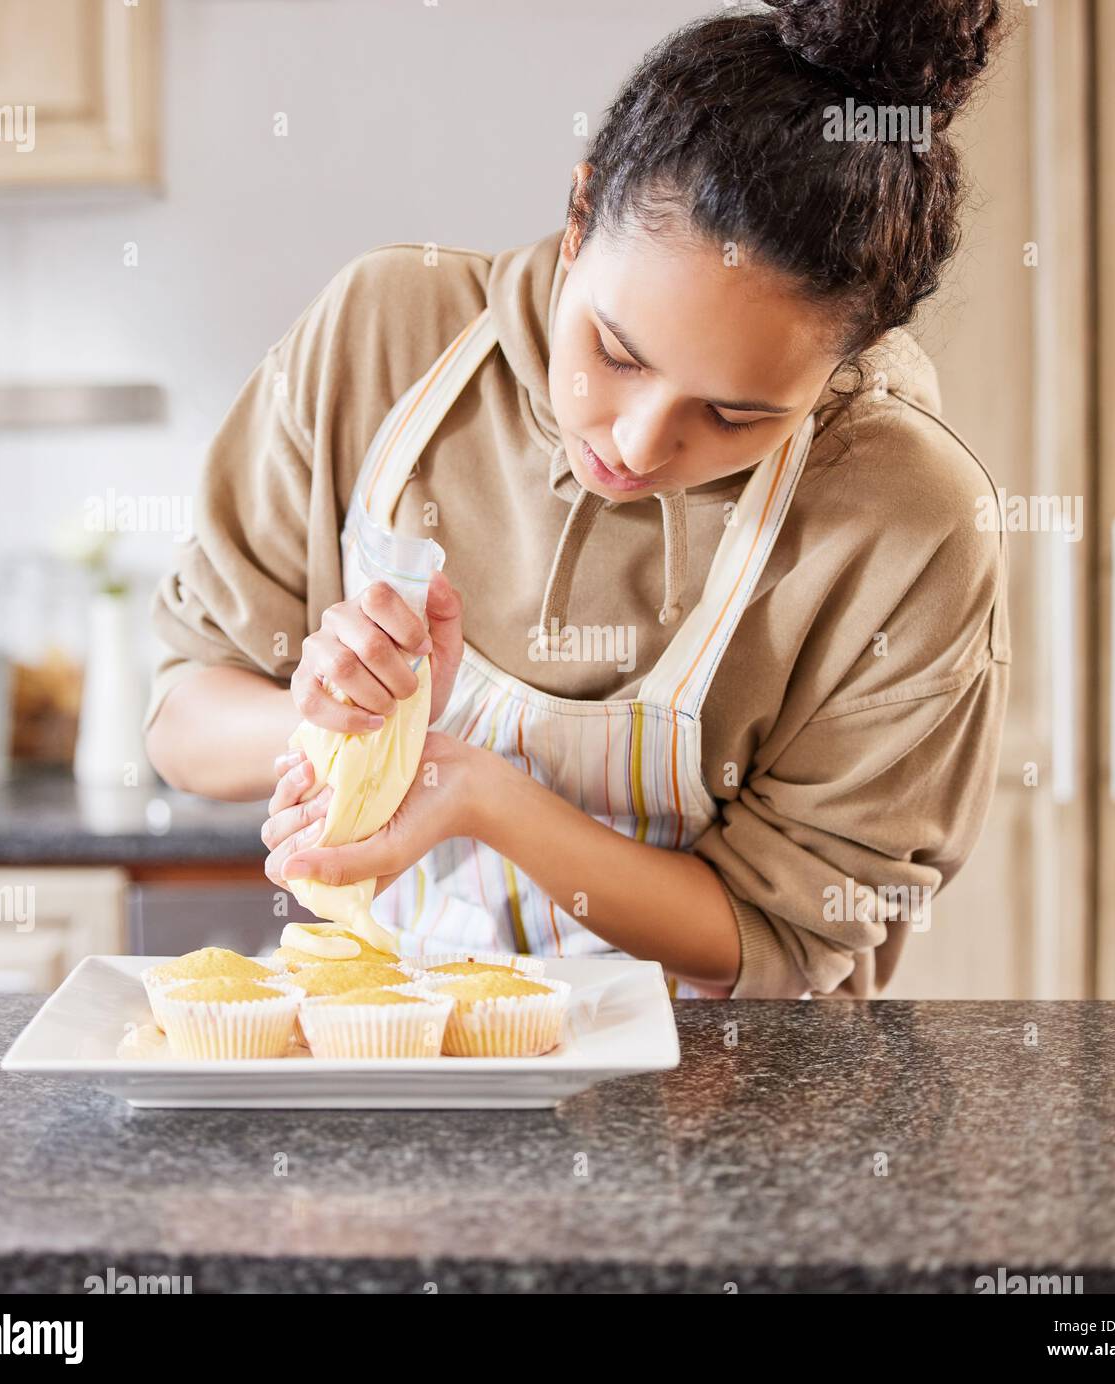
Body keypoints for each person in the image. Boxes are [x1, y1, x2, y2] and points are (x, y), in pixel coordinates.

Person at [145, 0, 1012, 1000]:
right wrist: (347, 725)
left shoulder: (908, 520)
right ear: (578, 216)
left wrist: (487, 797)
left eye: (735, 414)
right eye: (617, 352)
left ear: (848, 360)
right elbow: (181, 721)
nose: (636, 445)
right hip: (397, 1034)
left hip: (718, 1080)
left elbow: (789, 940)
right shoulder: (383, 333)